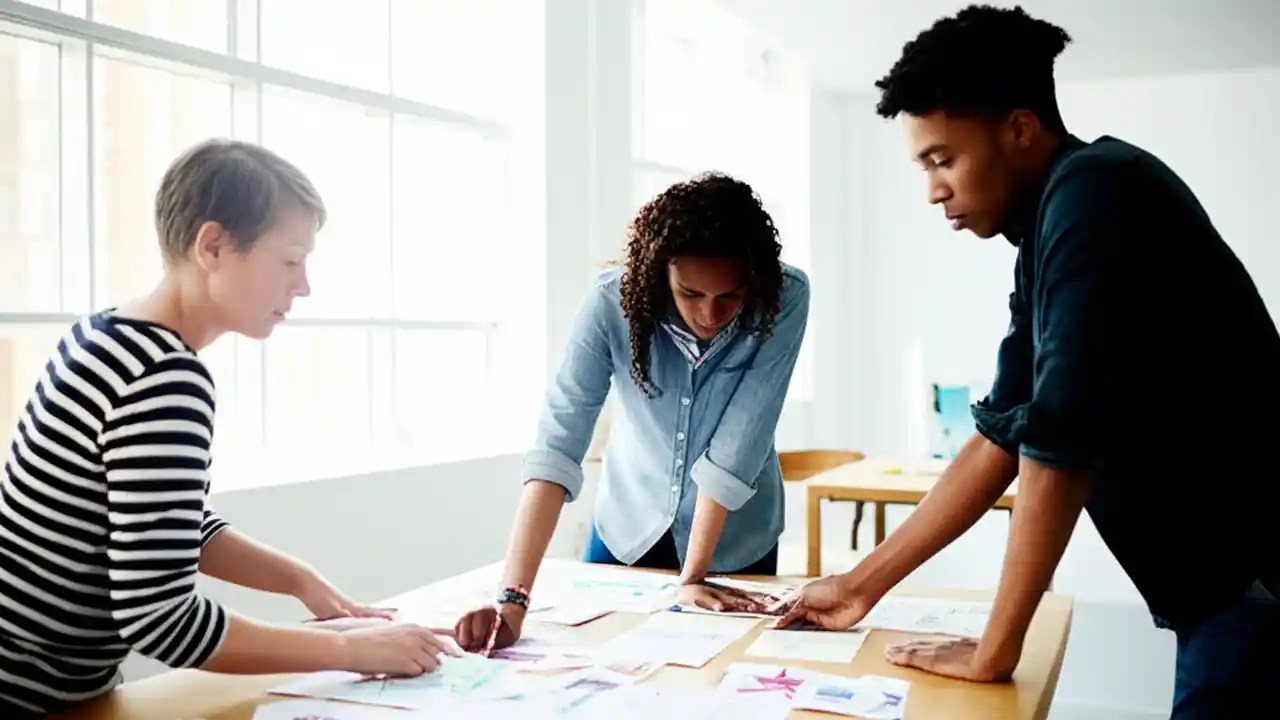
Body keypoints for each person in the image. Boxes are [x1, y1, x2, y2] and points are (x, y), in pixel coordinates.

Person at [774, 5, 1279, 718]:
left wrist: (994, 650)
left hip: (1253, 585)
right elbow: (1004, 435)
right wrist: (859, 585)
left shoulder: (1096, 193)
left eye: (943, 159)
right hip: (1223, 592)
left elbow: (1059, 439)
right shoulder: (1045, 231)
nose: (932, 189)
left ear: (1019, 129)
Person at [0, 139, 457, 717]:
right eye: (290, 260)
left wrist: (299, 579)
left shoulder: (105, 335)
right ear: (213, 244)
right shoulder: (163, 380)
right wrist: (345, 648)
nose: (304, 285)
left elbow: (165, 518)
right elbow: (159, 618)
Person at [454, 172, 810, 652]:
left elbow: (740, 440)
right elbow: (560, 441)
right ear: (662, 273)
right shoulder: (611, 301)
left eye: (729, 296)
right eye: (691, 293)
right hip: (627, 527)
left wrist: (693, 576)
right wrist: (512, 601)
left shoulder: (785, 295)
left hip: (732, 538)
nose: (709, 314)